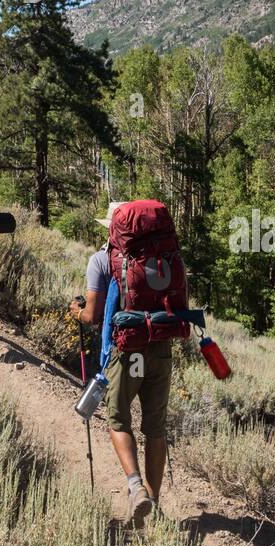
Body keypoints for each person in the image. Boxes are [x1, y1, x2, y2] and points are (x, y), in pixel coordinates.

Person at [69, 199, 187, 528]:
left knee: (118, 421)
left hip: (125, 353)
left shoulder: (101, 259)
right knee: (155, 428)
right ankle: (155, 500)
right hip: (160, 347)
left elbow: (92, 316)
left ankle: (136, 488)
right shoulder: (165, 257)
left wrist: (75, 311)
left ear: (113, 227)